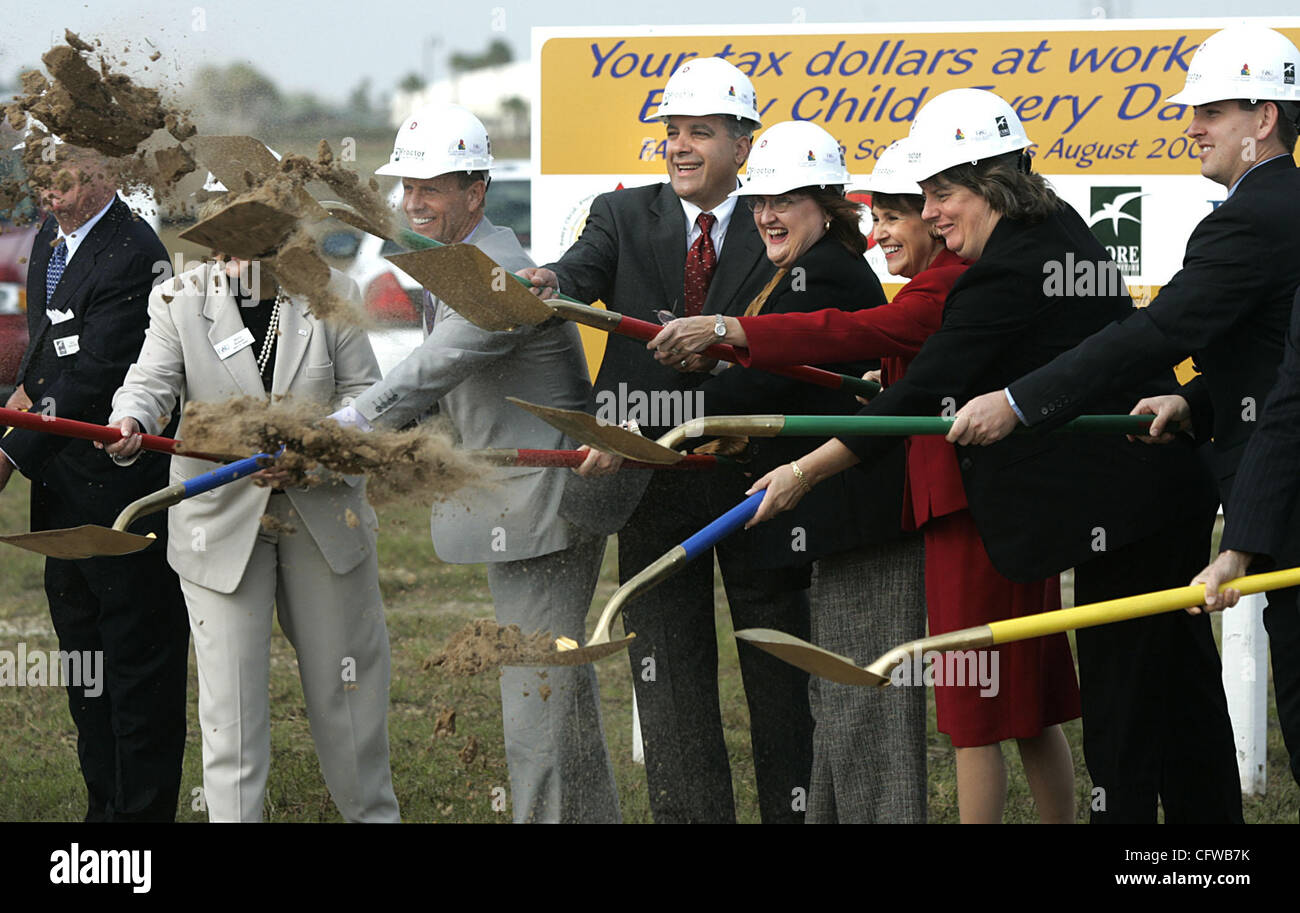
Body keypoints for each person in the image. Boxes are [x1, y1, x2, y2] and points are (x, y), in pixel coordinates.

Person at [743, 87, 1233, 824]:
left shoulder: (1007, 269)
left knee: (1127, 723)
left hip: (1138, 508)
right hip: (1146, 501)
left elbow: (923, 390)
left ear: (993, 180)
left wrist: (804, 469)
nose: (931, 213)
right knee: (1175, 709)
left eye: (943, 192)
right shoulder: (1050, 228)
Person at [654, 137, 1079, 824]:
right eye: (879, 215)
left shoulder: (946, 281)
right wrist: (888, 375)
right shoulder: (969, 273)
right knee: (1030, 705)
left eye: (899, 214)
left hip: (966, 511)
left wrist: (731, 330)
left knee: (976, 715)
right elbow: (916, 358)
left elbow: (847, 329)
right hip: (993, 507)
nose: (885, 230)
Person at [948, 23, 1300, 799]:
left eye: (1210, 111)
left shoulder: (1252, 217)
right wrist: (1195, 396)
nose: (1193, 126)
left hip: (1277, 506)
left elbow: (1156, 331)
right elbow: (1280, 358)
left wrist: (1018, 401)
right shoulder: (1279, 209)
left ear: (1265, 118)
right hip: (1249, 496)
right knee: (1193, 704)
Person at [520, 58, 815, 824]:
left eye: (701, 132)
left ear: (742, 145)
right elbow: (579, 274)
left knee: (779, 669)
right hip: (651, 477)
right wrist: (550, 280)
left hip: (759, 482)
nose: (680, 146)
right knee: (669, 677)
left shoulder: (775, 220)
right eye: (671, 131)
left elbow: (792, 345)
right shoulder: (622, 215)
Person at [330, 104, 620, 824]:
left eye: (432, 187)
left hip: (546, 508)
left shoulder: (506, 274)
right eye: (408, 188)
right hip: (515, 509)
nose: (413, 202)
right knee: (560, 697)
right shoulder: (454, 265)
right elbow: (446, 385)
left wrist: (354, 423)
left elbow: (439, 363)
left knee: (534, 709)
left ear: (475, 191)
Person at [628, 121, 925, 823]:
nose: (766, 213)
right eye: (759, 199)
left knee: (812, 705)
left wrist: (644, 426)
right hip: (811, 517)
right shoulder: (798, 268)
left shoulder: (820, 272)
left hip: (835, 519)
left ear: (826, 205)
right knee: (810, 702)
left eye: (785, 200)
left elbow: (753, 391)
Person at [105, 181, 400, 822]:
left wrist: (317, 451)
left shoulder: (331, 293)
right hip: (218, 522)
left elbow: (367, 399)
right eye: (220, 235)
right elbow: (151, 381)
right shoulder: (178, 300)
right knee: (231, 711)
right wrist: (131, 419)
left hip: (322, 517)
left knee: (344, 696)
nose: (232, 252)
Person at [0, 138, 190, 822]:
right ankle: (102, 811)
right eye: (39, 167)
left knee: (137, 668)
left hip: (121, 499)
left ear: (106, 170)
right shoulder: (50, 242)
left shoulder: (134, 252)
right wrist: (14, 413)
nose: (45, 182)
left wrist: (9, 454)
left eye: (63, 168)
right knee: (86, 669)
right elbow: (44, 364)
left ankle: (140, 821)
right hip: (59, 495)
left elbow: (90, 380)